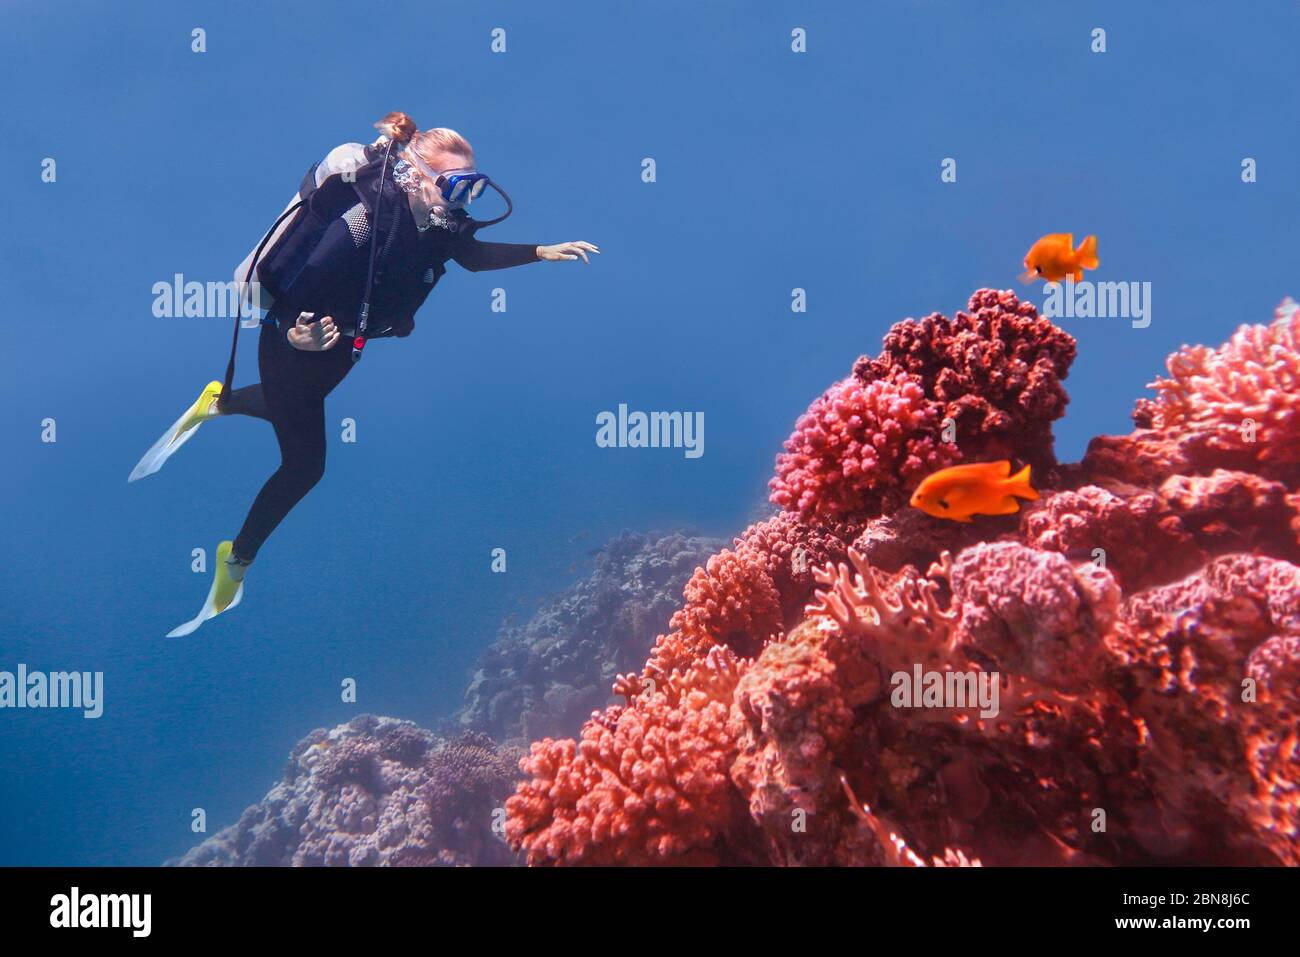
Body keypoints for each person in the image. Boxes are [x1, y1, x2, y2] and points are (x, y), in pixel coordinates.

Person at [132, 111, 599, 636]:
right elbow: (299, 281)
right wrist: (292, 334)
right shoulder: (363, 220)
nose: (463, 198)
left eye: (473, 186)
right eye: (455, 183)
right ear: (413, 171)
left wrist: (539, 252)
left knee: (297, 405)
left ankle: (217, 403)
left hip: (343, 349)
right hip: (292, 342)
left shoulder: (442, 226)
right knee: (305, 465)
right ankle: (234, 559)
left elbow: (471, 255)